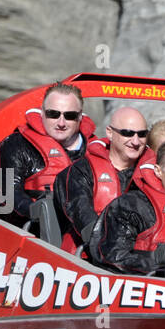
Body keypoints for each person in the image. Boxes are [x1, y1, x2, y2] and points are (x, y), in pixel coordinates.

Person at [0, 82, 94, 227]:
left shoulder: (97, 150)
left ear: (80, 117)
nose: (61, 122)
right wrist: (39, 211)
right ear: (42, 113)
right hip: (36, 234)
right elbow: (7, 195)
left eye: (69, 116)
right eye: (53, 114)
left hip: (90, 235)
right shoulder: (16, 144)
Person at [88, 140, 165, 276]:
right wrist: (160, 260)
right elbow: (112, 255)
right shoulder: (130, 206)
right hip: (139, 285)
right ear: (158, 171)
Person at [52, 106, 152, 253]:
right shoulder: (80, 171)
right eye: (127, 133)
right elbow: (82, 215)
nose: (135, 141)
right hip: (90, 258)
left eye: (142, 134)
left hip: (143, 257)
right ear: (110, 133)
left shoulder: (155, 172)